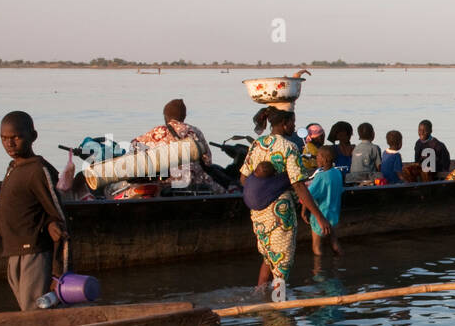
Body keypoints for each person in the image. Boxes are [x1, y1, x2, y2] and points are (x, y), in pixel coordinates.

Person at [238, 108, 331, 290]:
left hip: (258, 213)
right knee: (281, 264)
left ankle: (260, 296)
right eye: (293, 123)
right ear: (285, 124)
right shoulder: (289, 147)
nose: (294, 126)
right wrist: (319, 217)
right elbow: (298, 185)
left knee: (268, 257)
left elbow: (243, 178)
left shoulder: (257, 144)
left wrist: (263, 186)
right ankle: (278, 305)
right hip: (280, 212)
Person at [0, 111, 66, 311]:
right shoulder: (13, 167)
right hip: (13, 250)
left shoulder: (38, 170)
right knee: (26, 308)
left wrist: (59, 271)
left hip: (34, 252)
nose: (9, 144)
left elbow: (58, 215)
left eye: (16, 137)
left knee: (35, 311)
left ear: (33, 137)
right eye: (4, 138)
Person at [129, 98, 215, 191]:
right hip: (195, 181)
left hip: (168, 183)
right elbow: (208, 160)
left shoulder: (158, 131)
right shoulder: (194, 131)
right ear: (184, 116)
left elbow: (134, 145)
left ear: (166, 116)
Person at [303, 146, 343, 257]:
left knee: (317, 246)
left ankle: (318, 271)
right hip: (333, 215)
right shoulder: (337, 173)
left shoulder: (320, 177)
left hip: (320, 217)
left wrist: (303, 211)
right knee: (335, 243)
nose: (316, 159)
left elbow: (308, 196)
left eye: (318, 157)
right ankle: (340, 262)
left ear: (325, 160)